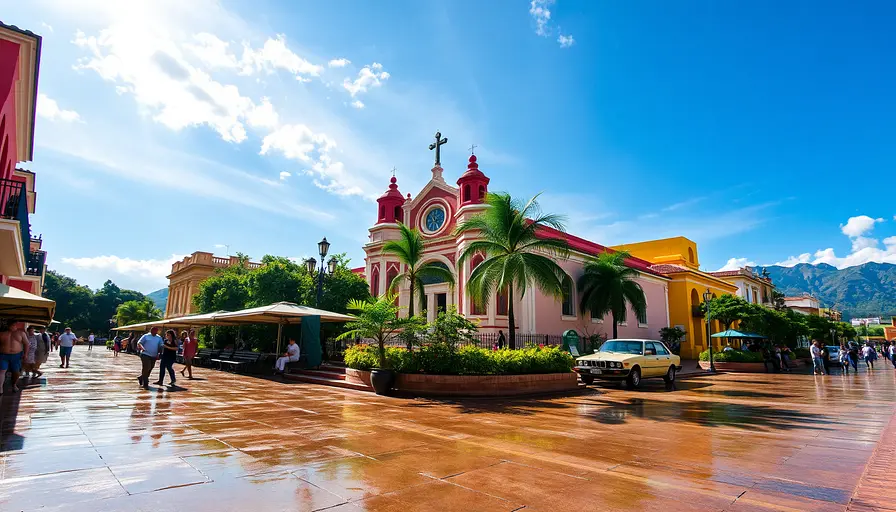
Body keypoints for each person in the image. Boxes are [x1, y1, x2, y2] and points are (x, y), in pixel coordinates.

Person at [0, 320, 28, 396]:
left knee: (16, 372)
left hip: (16, 355)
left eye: (15, 325)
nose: (13, 326)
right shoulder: (2, 333)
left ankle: (14, 384)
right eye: (12, 325)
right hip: (3, 355)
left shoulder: (21, 333)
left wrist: (25, 354)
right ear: (8, 326)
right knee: (2, 370)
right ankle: (0, 389)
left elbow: (26, 344)